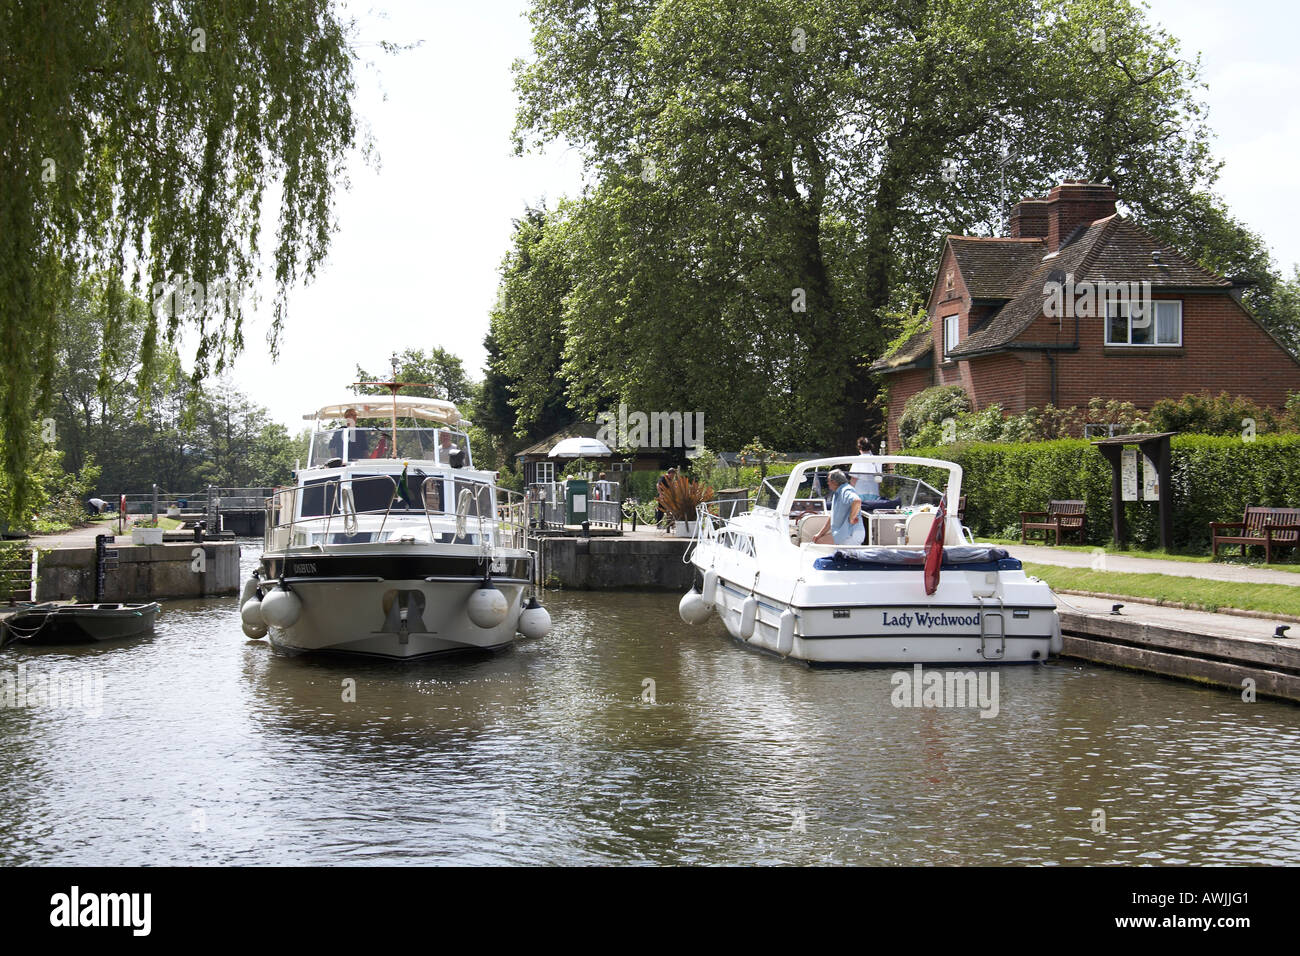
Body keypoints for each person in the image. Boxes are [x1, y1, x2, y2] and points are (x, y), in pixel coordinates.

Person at [814, 469, 865, 545]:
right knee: (819, 540)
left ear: (834, 482)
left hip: (850, 533)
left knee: (819, 542)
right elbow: (832, 517)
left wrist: (852, 518)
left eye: (828, 481)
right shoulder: (837, 493)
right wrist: (819, 534)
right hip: (843, 533)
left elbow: (857, 501)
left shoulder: (845, 490)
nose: (828, 483)